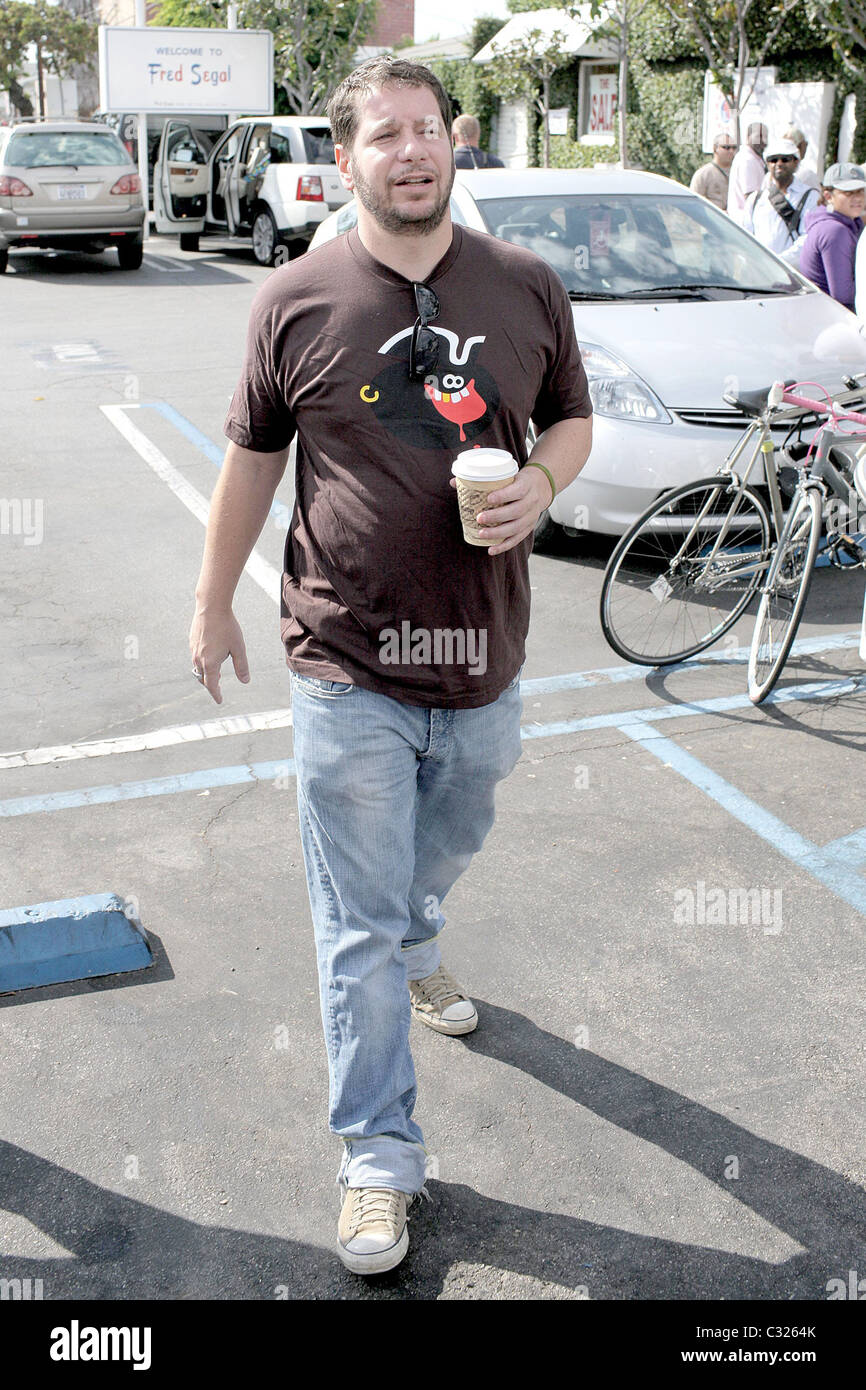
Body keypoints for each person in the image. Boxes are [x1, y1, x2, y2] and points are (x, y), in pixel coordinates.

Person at [188, 54, 593, 1277]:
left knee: (449, 841)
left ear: (453, 144)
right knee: (351, 924)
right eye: (383, 135)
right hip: (344, 664)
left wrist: (540, 481)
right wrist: (211, 603)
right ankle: (377, 1159)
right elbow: (253, 459)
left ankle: (423, 935)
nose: (410, 151)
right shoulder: (296, 297)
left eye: (428, 130)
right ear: (346, 156)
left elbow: (569, 417)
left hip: (485, 659)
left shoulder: (524, 284)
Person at [799, 162, 865, 311]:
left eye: (860, 191)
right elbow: (843, 295)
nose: (858, 198)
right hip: (831, 318)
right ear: (828, 196)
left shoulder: (847, 222)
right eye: (848, 193)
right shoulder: (834, 230)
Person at [741, 137, 819, 255]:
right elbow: (746, 237)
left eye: (785, 159)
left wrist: (779, 263)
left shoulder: (810, 196)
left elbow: (807, 238)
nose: (779, 164)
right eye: (773, 160)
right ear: (767, 164)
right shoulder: (755, 199)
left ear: (796, 162)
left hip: (792, 270)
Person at [727, 121, 767, 220]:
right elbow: (750, 197)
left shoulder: (755, 159)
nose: (762, 141)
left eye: (765, 137)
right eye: (759, 136)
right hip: (745, 220)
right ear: (748, 137)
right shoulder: (747, 160)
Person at [689, 131, 737, 211]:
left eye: (734, 148)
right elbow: (694, 204)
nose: (731, 151)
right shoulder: (703, 174)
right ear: (715, 149)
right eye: (726, 147)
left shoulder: (738, 172)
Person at [782, 125, 821, 191]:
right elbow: (818, 199)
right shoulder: (807, 175)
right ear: (799, 146)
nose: (806, 146)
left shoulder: (771, 175)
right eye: (805, 143)